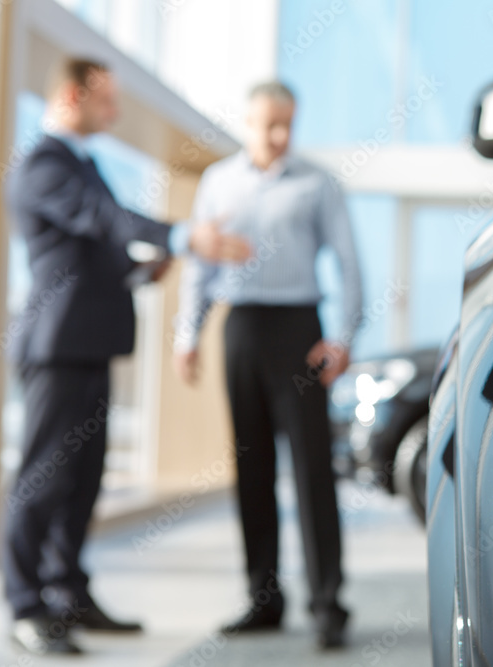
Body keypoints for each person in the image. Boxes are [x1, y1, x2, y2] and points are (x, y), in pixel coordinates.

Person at [3, 57, 253, 656]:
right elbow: (103, 220)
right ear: (71, 96)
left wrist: (145, 267)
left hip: (91, 345)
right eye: (106, 99)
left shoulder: (84, 164)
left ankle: (68, 594)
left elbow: (97, 251)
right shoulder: (44, 164)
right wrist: (180, 235)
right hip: (56, 347)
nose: (114, 112)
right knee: (43, 478)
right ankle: (25, 604)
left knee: (84, 479)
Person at [172, 80, 362, 649]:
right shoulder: (218, 182)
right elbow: (201, 267)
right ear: (248, 123)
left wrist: (343, 337)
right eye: (269, 125)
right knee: (251, 467)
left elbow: (350, 265)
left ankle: (328, 604)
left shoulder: (317, 184)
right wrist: (188, 335)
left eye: (288, 124)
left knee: (311, 471)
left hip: (298, 331)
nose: (279, 136)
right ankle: (263, 600)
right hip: (242, 330)